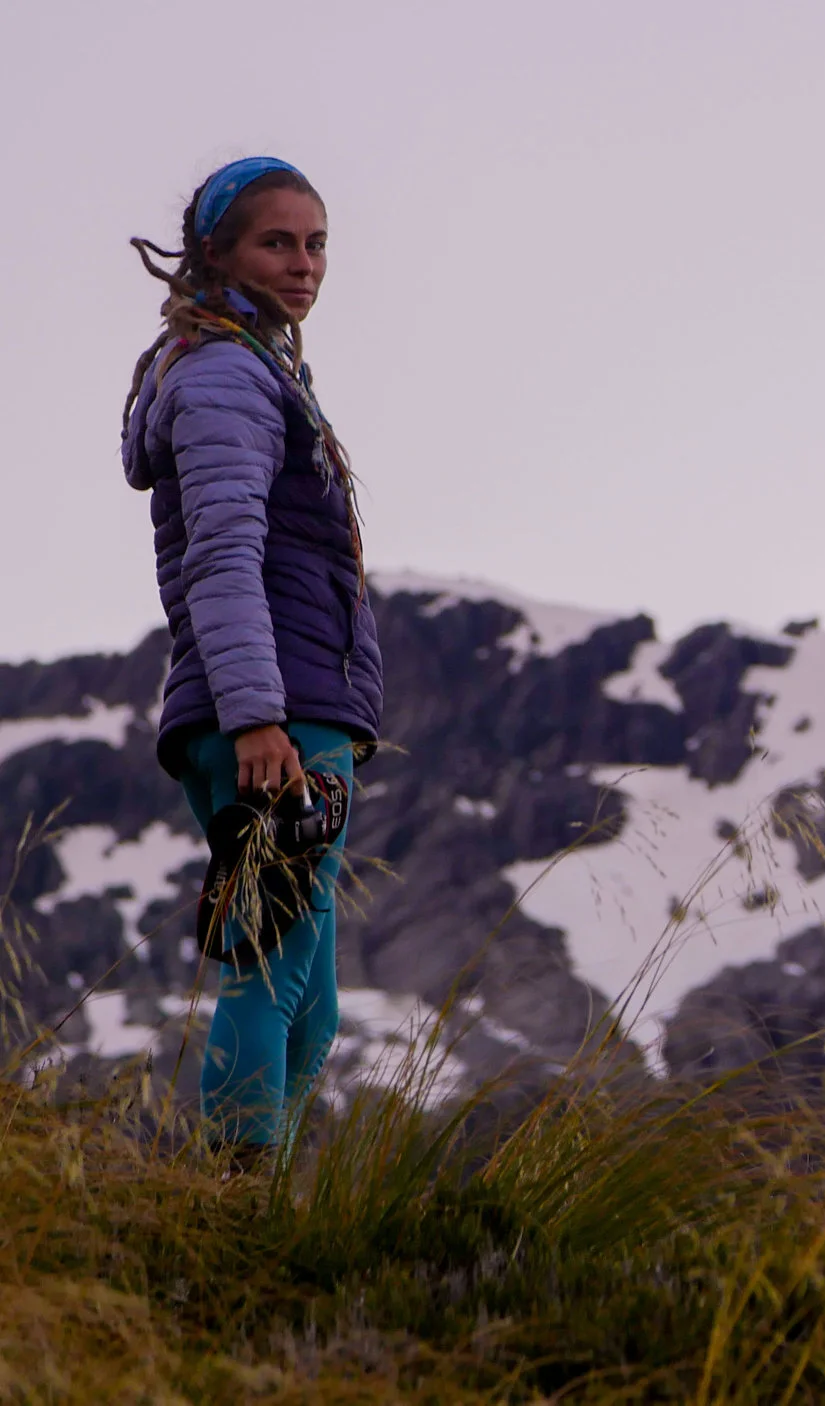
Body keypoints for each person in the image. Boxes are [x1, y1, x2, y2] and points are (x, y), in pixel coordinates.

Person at [120, 157, 384, 1168]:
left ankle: (248, 1200)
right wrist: (259, 718)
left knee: (309, 1001)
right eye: (278, 242)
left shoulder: (244, 368)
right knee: (271, 974)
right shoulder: (227, 376)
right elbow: (224, 556)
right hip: (274, 715)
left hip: (267, 706)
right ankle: (231, 1207)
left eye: (316, 244)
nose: (304, 264)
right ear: (217, 253)